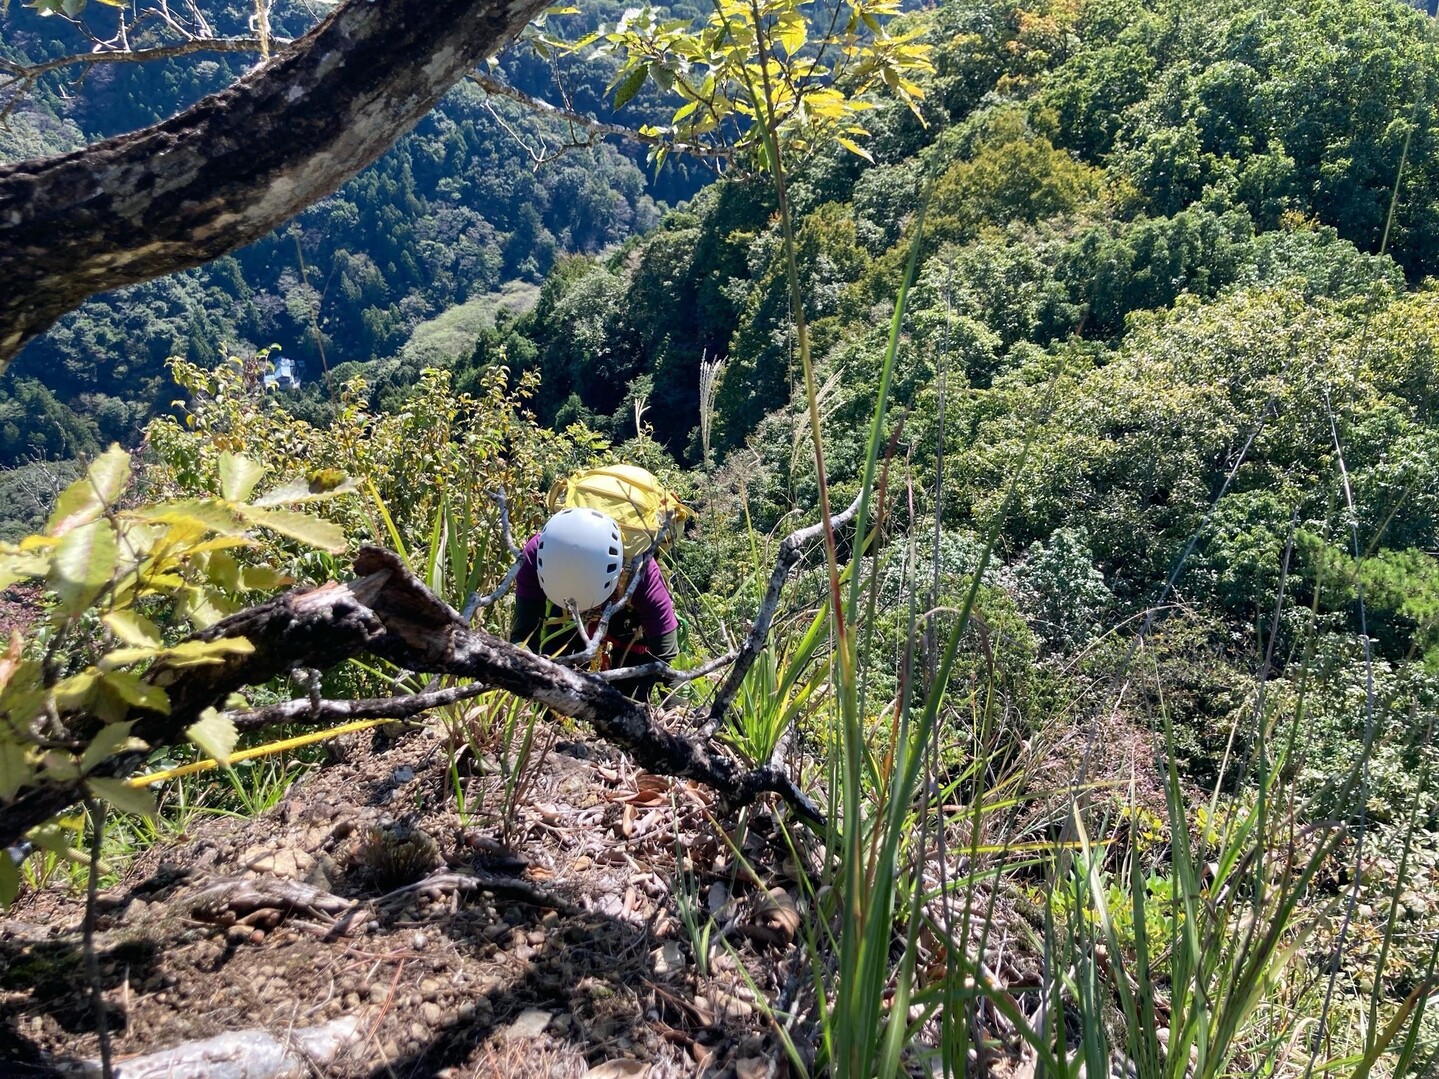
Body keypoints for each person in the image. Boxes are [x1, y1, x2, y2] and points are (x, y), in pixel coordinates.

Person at [510, 506, 679, 702]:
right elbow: (523, 635)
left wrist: (679, 712)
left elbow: (667, 660)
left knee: (630, 700)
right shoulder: (535, 555)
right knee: (555, 684)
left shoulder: (642, 574)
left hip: (629, 616)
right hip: (567, 613)